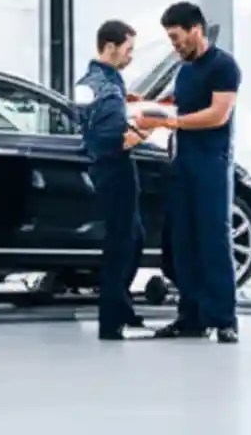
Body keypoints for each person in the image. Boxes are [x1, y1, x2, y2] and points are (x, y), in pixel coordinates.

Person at [137, 2, 242, 344]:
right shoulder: (183, 70)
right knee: (183, 242)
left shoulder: (224, 66)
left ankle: (224, 319)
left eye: (176, 37)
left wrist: (170, 122)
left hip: (212, 162)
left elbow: (217, 114)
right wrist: (138, 107)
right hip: (182, 162)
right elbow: (174, 104)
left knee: (213, 238)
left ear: (195, 29)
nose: (174, 45)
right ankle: (191, 318)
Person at [74, 19, 151, 340]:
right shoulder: (105, 87)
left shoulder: (95, 81)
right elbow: (108, 137)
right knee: (122, 243)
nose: (131, 56)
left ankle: (121, 306)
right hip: (113, 169)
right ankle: (111, 319)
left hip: (105, 169)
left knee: (133, 237)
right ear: (110, 46)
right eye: (128, 49)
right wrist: (142, 131)